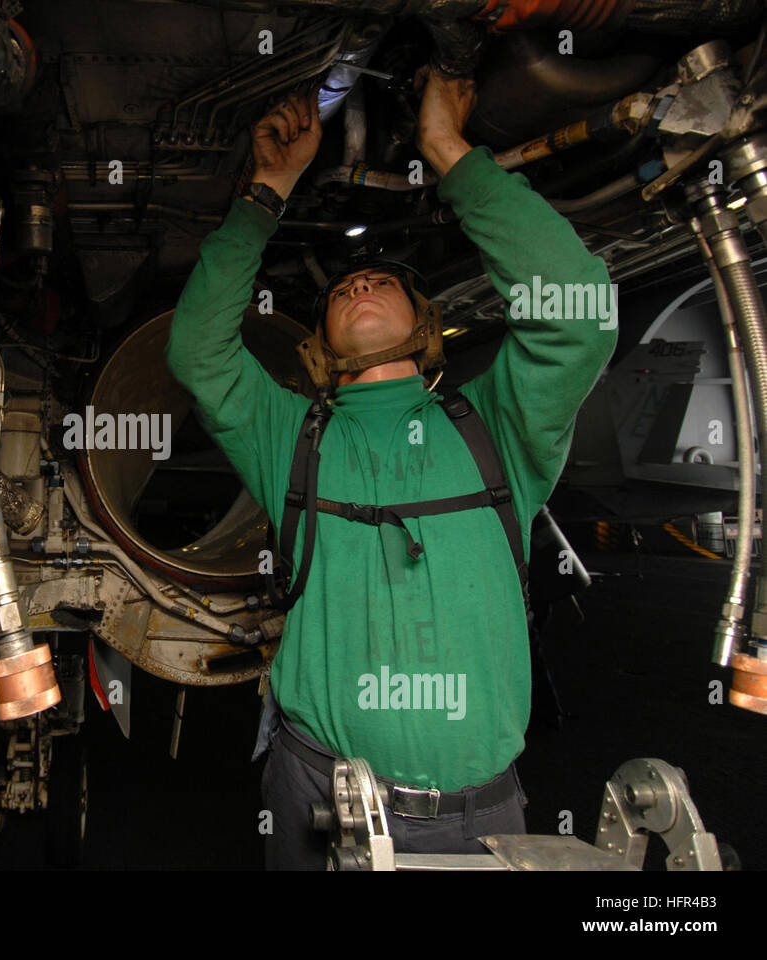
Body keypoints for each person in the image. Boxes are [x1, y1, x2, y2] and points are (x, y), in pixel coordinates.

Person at [165, 71, 618, 869]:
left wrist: (451, 150)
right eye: (344, 287)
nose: (363, 282)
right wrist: (267, 191)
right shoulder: (291, 437)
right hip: (312, 796)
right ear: (318, 351)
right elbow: (198, 353)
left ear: (427, 331)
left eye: (382, 282)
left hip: (472, 821)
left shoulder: (497, 426)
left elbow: (576, 310)